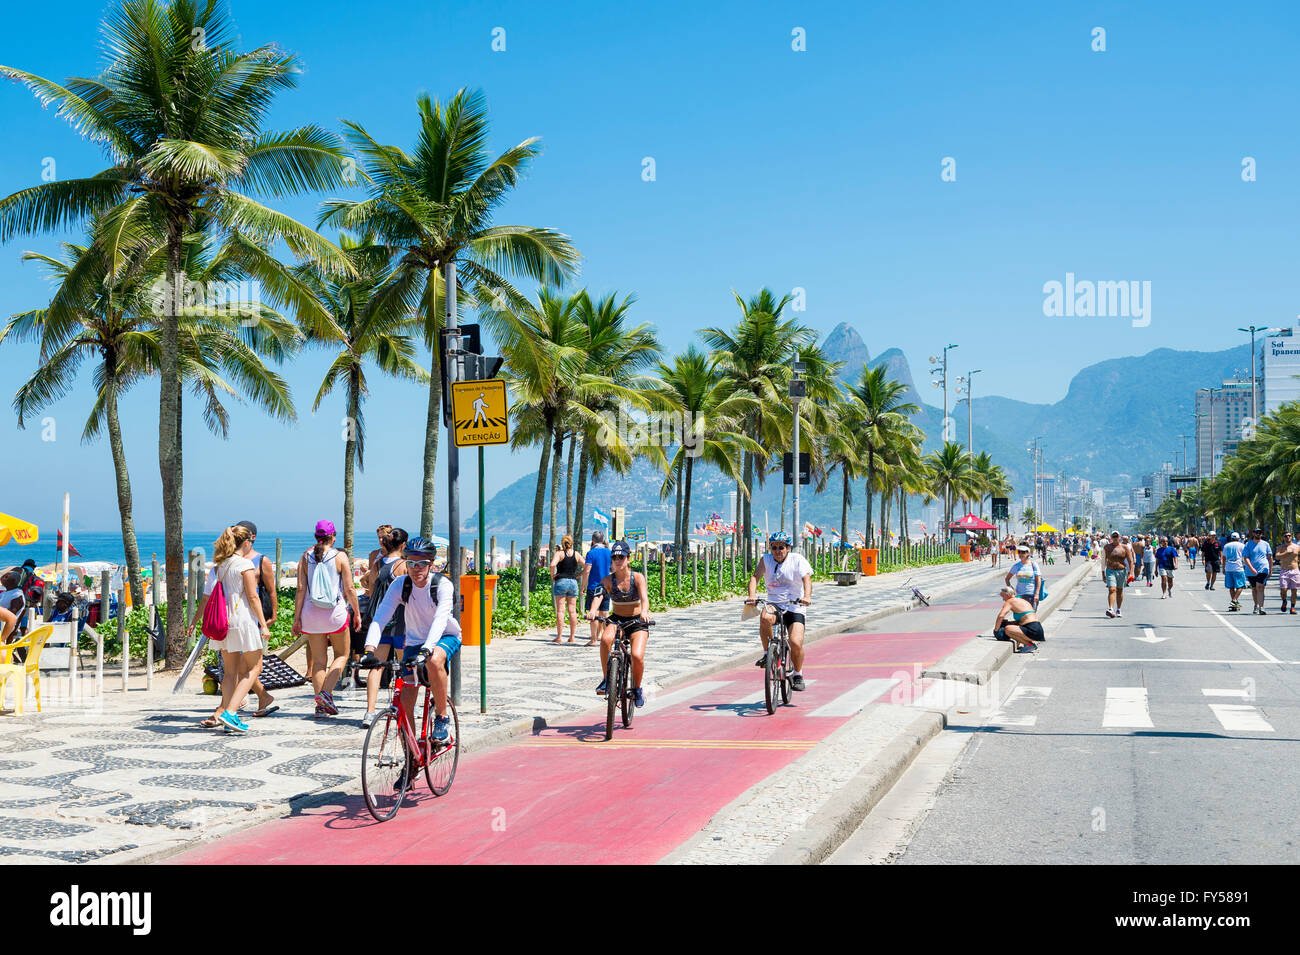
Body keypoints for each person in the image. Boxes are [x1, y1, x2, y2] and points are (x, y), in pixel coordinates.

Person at [359, 537, 461, 742]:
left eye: (421, 563)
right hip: (415, 642)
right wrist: (369, 650)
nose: (416, 568)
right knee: (406, 698)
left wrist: (427, 649)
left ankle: (442, 717)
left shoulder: (442, 585)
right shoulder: (400, 584)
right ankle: (412, 753)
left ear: (431, 564)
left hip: (445, 636)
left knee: (433, 660)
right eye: (411, 563)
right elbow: (380, 617)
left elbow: (441, 620)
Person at [196, 524, 272, 733]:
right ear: (246, 542)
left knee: (230, 673)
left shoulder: (220, 566)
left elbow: (209, 595)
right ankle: (230, 712)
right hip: (243, 621)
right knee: (255, 668)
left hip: (224, 622)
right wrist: (263, 625)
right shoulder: (245, 565)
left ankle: (226, 715)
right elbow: (253, 597)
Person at [294, 520, 360, 717]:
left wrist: (297, 618)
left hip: (311, 615)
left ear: (316, 537)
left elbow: (300, 589)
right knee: (342, 655)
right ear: (334, 537)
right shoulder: (339, 556)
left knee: (319, 662)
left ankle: (321, 706)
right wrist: (356, 612)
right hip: (334, 615)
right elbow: (349, 589)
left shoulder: (305, 557)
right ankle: (325, 694)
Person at [747, 531, 813, 692]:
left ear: (788, 548)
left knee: (795, 642)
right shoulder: (766, 560)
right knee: (764, 616)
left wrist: (807, 596)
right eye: (774, 547)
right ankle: (768, 653)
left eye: (781, 547)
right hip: (775, 603)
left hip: (794, 605)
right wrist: (752, 596)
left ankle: (798, 674)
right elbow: (755, 577)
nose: (777, 551)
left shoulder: (797, 560)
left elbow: (806, 579)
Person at [359, 527, 407, 726]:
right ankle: (404, 708)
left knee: (376, 667)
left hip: (380, 622)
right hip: (401, 622)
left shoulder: (378, 564)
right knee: (406, 667)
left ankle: (370, 712)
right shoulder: (404, 565)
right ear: (403, 545)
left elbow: (370, 589)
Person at [597, 540, 653, 704]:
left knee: (636, 656)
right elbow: (598, 597)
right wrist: (593, 611)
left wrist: (644, 612)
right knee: (605, 639)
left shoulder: (637, 578)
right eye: (614, 557)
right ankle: (607, 679)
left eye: (621, 556)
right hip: (617, 620)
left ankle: (637, 688)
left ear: (628, 559)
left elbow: (645, 599)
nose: (618, 560)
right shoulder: (608, 580)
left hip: (637, 622)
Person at [235, 520, 279, 717]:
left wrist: (273, 615)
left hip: (255, 618)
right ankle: (262, 697)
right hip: (237, 618)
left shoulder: (262, 561)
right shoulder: (232, 559)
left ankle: (231, 707)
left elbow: (271, 590)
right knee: (242, 666)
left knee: (248, 665)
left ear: (250, 537)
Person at [580, 530, 612, 646]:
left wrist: (583, 586)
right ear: (603, 540)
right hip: (607, 586)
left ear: (592, 541)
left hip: (593, 586)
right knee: (605, 613)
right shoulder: (609, 552)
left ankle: (593, 639)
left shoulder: (591, 553)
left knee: (594, 612)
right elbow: (613, 570)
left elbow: (587, 571)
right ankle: (606, 637)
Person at [549, 534, 581, 643]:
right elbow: (587, 565)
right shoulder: (576, 554)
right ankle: (572, 636)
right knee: (572, 610)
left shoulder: (560, 554)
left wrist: (552, 576)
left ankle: (559, 637)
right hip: (573, 582)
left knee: (561, 610)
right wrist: (579, 575)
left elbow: (552, 565)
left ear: (563, 543)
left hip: (561, 581)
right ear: (572, 543)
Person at [993, 586, 1043, 652]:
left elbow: (1001, 616)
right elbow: (1022, 621)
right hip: (1037, 630)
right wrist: (1010, 623)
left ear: (1008, 595)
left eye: (1003, 597)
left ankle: (1030, 645)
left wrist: (996, 631)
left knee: (1007, 629)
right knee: (1009, 625)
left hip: (1032, 630)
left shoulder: (1010, 601)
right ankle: (1028, 644)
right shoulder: (1020, 600)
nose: (1003, 599)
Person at [1242, 528, 1273, 615]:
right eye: (1256, 533)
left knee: (1260, 587)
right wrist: (1251, 568)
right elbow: (1245, 557)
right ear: (1253, 534)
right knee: (1254, 588)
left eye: (1260, 533)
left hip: (1263, 568)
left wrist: (1270, 570)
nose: (1258, 534)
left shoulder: (1266, 544)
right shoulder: (1248, 544)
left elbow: (1270, 558)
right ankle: (1256, 605)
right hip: (1250, 570)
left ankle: (1261, 607)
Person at [1102, 532, 1133, 618]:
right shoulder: (1107, 547)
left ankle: (1118, 608)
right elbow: (1103, 560)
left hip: (1121, 571)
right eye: (1113, 536)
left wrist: (1131, 573)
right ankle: (1111, 609)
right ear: (1111, 537)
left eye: (1117, 536)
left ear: (1120, 537)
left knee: (1119, 591)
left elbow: (1130, 561)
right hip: (1110, 571)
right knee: (1112, 589)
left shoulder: (1125, 547)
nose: (1115, 538)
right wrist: (1103, 573)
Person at [1004, 543, 1042, 610]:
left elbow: (1038, 580)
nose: (1021, 554)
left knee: (1030, 616)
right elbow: (1007, 579)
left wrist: (1037, 594)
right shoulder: (1016, 566)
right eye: (1019, 552)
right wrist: (1012, 591)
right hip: (1019, 596)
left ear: (1028, 553)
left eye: (1023, 552)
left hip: (1031, 595)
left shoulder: (1034, 565)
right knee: (1021, 617)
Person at [1222, 531, 1247, 612]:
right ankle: (1234, 600)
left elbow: (1224, 557)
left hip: (1229, 568)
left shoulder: (1226, 546)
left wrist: (1223, 567)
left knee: (1231, 587)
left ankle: (1234, 604)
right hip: (1238, 568)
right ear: (1239, 538)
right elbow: (1245, 557)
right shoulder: (1242, 545)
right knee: (1241, 586)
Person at [1277, 532, 1299, 615]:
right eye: (1286, 536)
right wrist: (1286, 553)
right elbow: (1277, 556)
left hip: (1295, 570)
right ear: (1283, 537)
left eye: (1289, 536)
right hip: (1284, 570)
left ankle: (1292, 607)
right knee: (1283, 590)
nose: (1288, 537)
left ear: (1291, 537)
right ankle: (1284, 601)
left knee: (1294, 590)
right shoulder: (1280, 547)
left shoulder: (1297, 547)